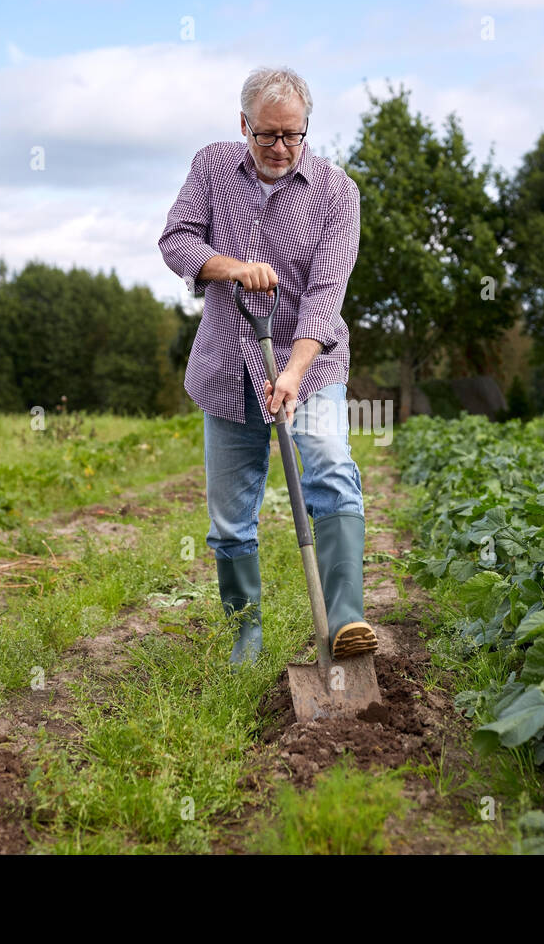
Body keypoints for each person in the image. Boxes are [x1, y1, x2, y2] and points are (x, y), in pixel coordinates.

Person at [159, 66, 376, 665]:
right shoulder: (211, 167)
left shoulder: (339, 193)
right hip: (229, 362)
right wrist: (230, 267)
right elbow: (176, 239)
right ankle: (246, 638)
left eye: (292, 135)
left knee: (330, 465)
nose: (280, 148)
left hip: (311, 365)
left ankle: (344, 619)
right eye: (267, 135)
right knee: (230, 517)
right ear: (243, 125)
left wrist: (294, 370)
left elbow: (327, 291)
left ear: (307, 128)